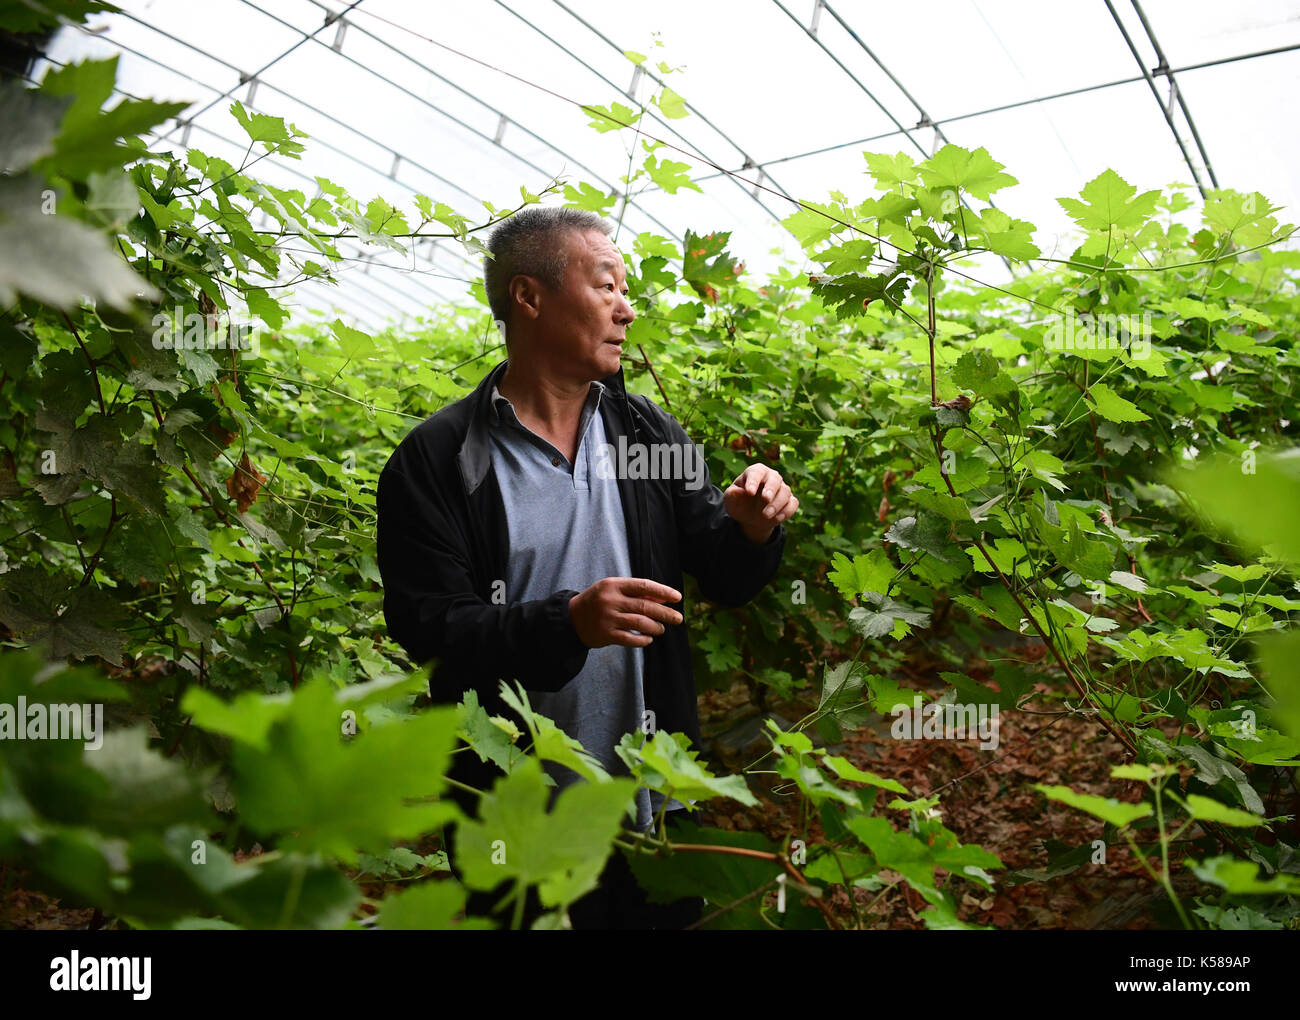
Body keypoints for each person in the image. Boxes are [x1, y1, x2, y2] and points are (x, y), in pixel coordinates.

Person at [375, 206, 798, 928]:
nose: (627, 309)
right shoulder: (438, 459)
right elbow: (430, 626)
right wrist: (568, 622)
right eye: (606, 286)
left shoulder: (646, 433)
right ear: (528, 297)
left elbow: (724, 574)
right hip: (515, 816)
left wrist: (754, 530)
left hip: (654, 805)